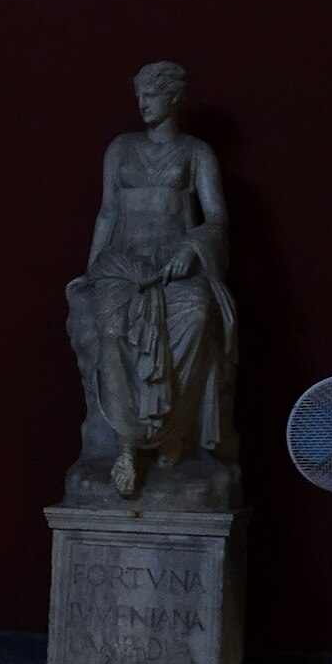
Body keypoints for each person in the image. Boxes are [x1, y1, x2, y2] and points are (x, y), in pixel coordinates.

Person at [67, 61, 237, 500]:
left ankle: (172, 433)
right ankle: (125, 447)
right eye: (139, 94)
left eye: (151, 94)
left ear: (173, 98)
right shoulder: (120, 148)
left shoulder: (196, 152)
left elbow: (216, 217)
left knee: (197, 315)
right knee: (111, 332)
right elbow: (107, 214)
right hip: (122, 264)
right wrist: (90, 272)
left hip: (174, 266)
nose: (142, 103)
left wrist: (190, 250)